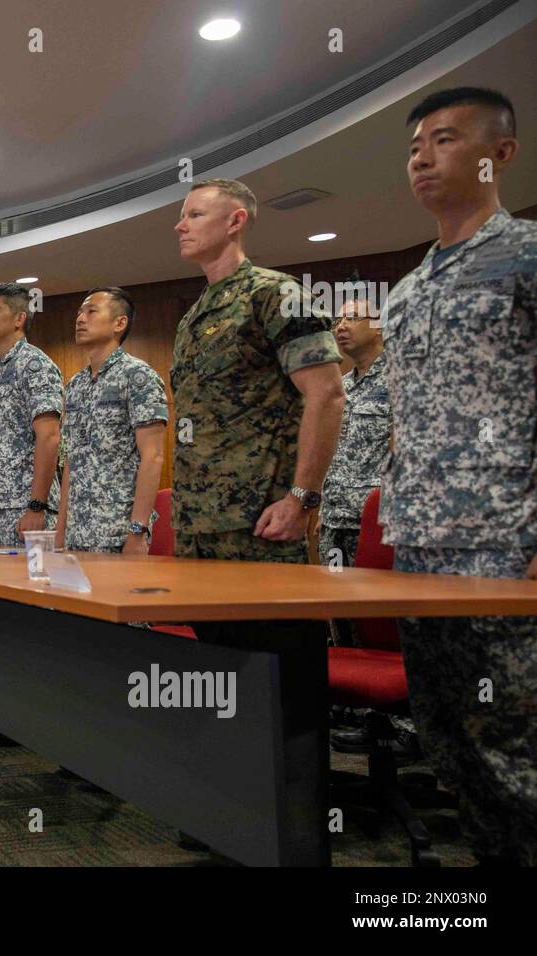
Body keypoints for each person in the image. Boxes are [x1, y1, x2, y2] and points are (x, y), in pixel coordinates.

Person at [379, 87, 536, 865]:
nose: (422, 158)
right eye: (415, 146)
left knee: (513, 747)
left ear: (498, 154)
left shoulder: (527, 256)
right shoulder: (409, 290)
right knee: (446, 741)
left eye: (443, 140)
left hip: (505, 546)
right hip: (419, 546)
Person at [170, 178, 343, 567]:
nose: (180, 226)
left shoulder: (276, 293)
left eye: (195, 215)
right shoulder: (193, 317)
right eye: (182, 217)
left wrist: (302, 498)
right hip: (196, 521)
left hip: (260, 521)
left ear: (235, 221)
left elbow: (328, 394)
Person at [54, 287, 168, 554]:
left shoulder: (137, 377)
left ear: (119, 323)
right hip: (77, 532)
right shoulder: (76, 385)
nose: (80, 319)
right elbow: (72, 461)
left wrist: (138, 530)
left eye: (91, 311)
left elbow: (153, 456)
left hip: (118, 531)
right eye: (79, 312)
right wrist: (60, 531)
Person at [0, 283, 63, 546]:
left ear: (19, 319)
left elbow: (49, 436)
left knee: (30, 573)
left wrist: (37, 505)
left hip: (24, 506)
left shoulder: (35, 365)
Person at [319, 299, 390, 575]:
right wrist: (324, 507)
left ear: (378, 326)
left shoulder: (400, 379)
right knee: (331, 595)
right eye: (338, 321)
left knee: (375, 597)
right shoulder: (341, 386)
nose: (341, 327)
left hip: (374, 521)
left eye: (352, 318)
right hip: (333, 519)